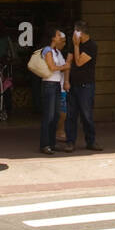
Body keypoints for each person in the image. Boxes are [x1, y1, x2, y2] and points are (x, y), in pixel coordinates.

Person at [64, 21, 102, 152]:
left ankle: (91, 141)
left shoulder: (92, 46)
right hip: (73, 84)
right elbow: (69, 62)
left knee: (86, 114)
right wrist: (66, 80)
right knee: (71, 115)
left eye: (75, 31)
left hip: (86, 85)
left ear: (80, 32)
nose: (73, 34)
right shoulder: (72, 44)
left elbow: (79, 62)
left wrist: (76, 45)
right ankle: (70, 142)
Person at [37, 26, 67, 155]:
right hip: (49, 84)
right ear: (53, 38)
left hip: (55, 85)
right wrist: (65, 66)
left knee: (55, 115)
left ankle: (52, 143)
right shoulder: (47, 50)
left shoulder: (56, 51)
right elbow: (52, 67)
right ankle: (45, 144)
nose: (60, 37)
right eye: (58, 35)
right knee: (48, 116)